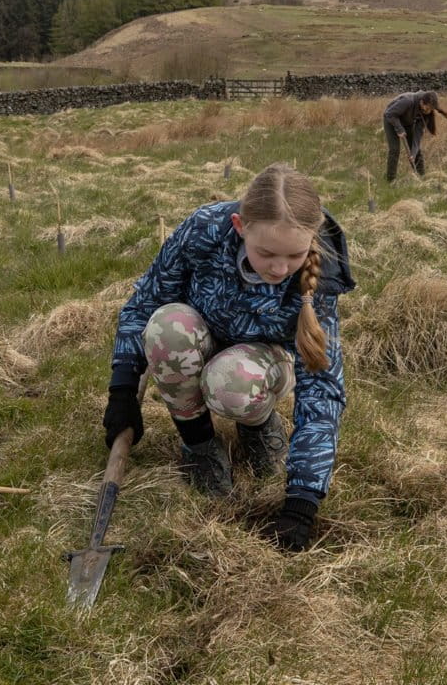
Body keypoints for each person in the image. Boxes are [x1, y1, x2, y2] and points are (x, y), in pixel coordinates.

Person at [103, 163, 356, 551]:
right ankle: (200, 447)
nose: (279, 268)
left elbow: (321, 389)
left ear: (313, 237)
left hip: (262, 364)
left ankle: (259, 428)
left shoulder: (321, 280)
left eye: (293, 255)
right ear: (239, 227)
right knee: (165, 325)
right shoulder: (204, 230)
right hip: (197, 339)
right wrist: (122, 388)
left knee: (229, 381)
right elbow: (146, 301)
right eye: (266, 253)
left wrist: (302, 502)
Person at [382, 90, 447, 181]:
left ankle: (422, 177)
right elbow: (389, 114)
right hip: (391, 120)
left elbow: (417, 135)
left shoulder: (426, 113)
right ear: (422, 102)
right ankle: (391, 180)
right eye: (428, 108)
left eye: (431, 109)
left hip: (407, 123)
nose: (429, 111)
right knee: (395, 149)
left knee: (416, 150)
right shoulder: (407, 101)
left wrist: (413, 153)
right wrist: (399, 129)